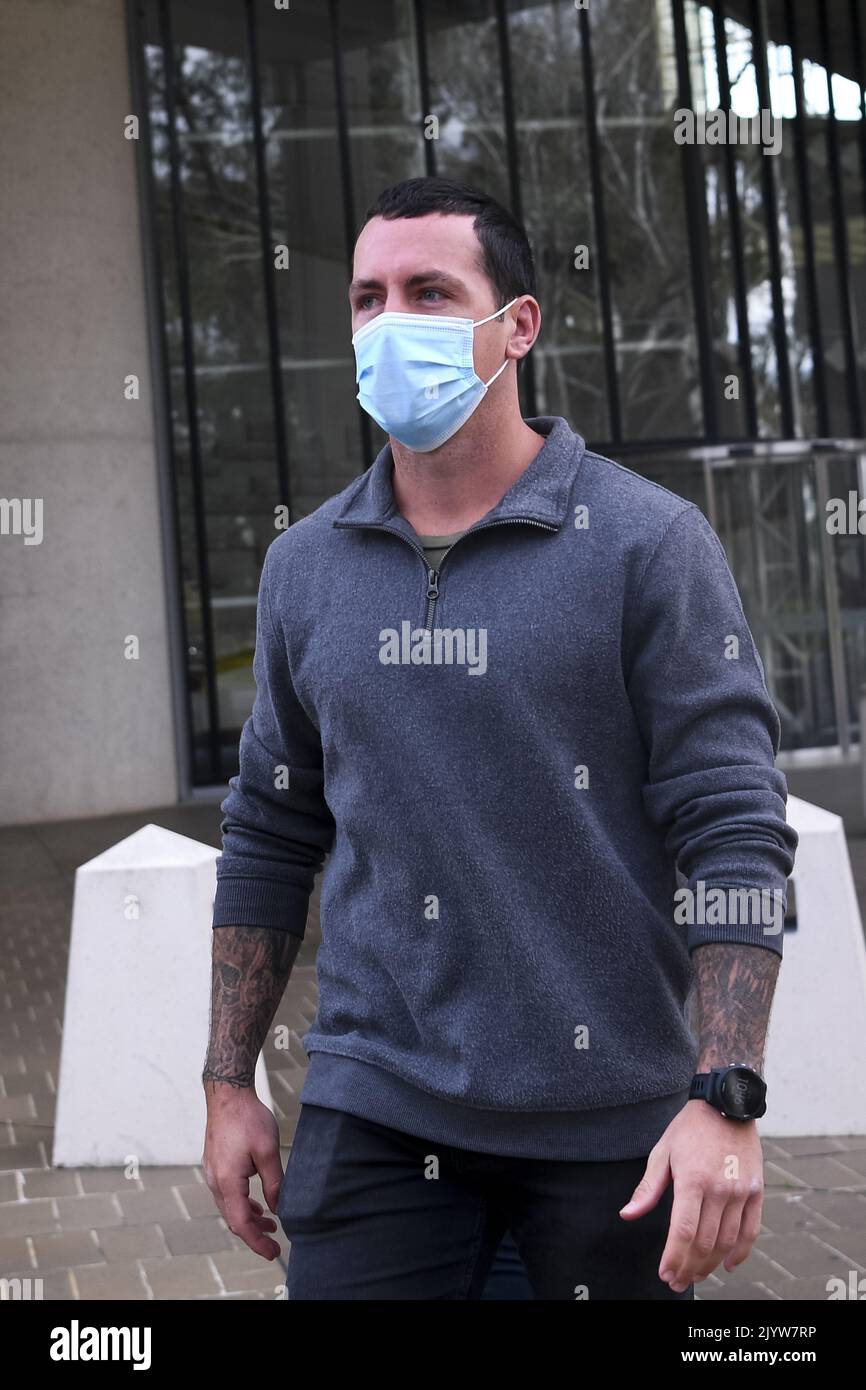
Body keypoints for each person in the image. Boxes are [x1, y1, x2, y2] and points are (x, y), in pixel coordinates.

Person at [202, 176, 798, 1300]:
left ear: (516, 323)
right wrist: (228, 1082)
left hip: (607, 1132)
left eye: (430, 292)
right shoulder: (306, 565)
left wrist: (723, 1093)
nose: (391, 324)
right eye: (369, 299)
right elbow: (271, 828)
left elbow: (733, 833)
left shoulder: (646, 545)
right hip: (372, 1109)